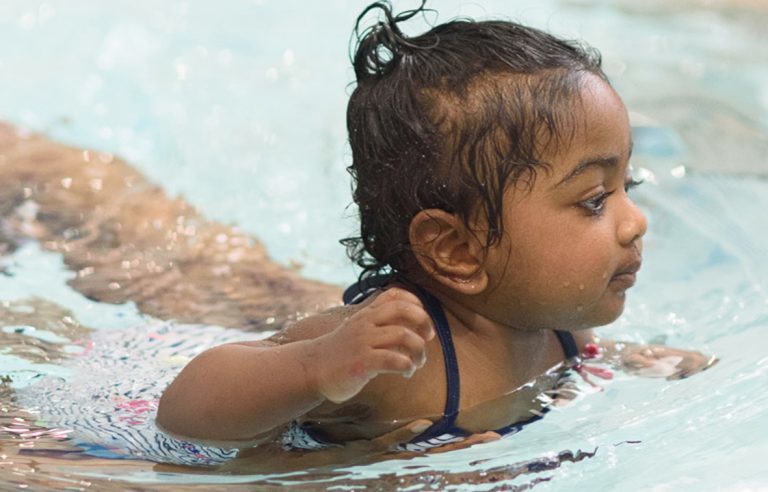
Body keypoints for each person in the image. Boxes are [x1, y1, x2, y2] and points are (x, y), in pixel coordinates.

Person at [155, 0, 716, 459]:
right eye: (594, 200)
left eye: (627, 187)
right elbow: (185, 410)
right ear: (458, 250)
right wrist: (318, 366)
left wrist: (620, 359)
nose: (635, 220)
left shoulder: (558, 322)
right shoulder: (401, 362)